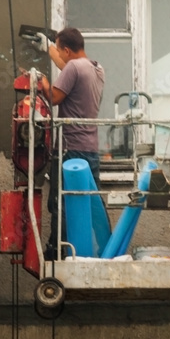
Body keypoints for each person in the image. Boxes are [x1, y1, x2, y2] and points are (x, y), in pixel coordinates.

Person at [36, 27, 105, 259]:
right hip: (90, 148)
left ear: (67, 50)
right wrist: (48, 47)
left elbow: (55, 97)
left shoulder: (73, 68)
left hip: (69, 148)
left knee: (62, 202)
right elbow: (67, 66)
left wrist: (42, 81)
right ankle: (104, 251)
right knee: (92, 204)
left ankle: (58, 253)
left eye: (60, 50)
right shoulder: (95, 68)